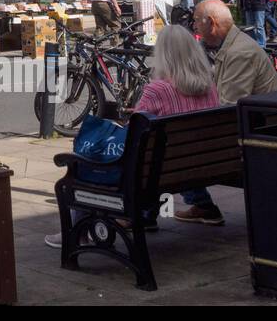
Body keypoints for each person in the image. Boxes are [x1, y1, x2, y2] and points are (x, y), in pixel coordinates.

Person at [46, 24, 220, 247]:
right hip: (200, 162)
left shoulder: (158, 89)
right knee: (156, 157)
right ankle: (147, 215)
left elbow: (134, 134)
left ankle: (78, 233)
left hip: (154, 170)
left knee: (86, 163)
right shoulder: (209, 86)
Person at [175, 0, 277, 225]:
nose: (193, 26)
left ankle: (149, 214)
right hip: (257, 135)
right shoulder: (235, 45)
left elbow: (227, 108)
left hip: (248, 144)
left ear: (212, 23)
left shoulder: (238, 53)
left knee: (175, 144)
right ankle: (201, 206)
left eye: (196, 20)